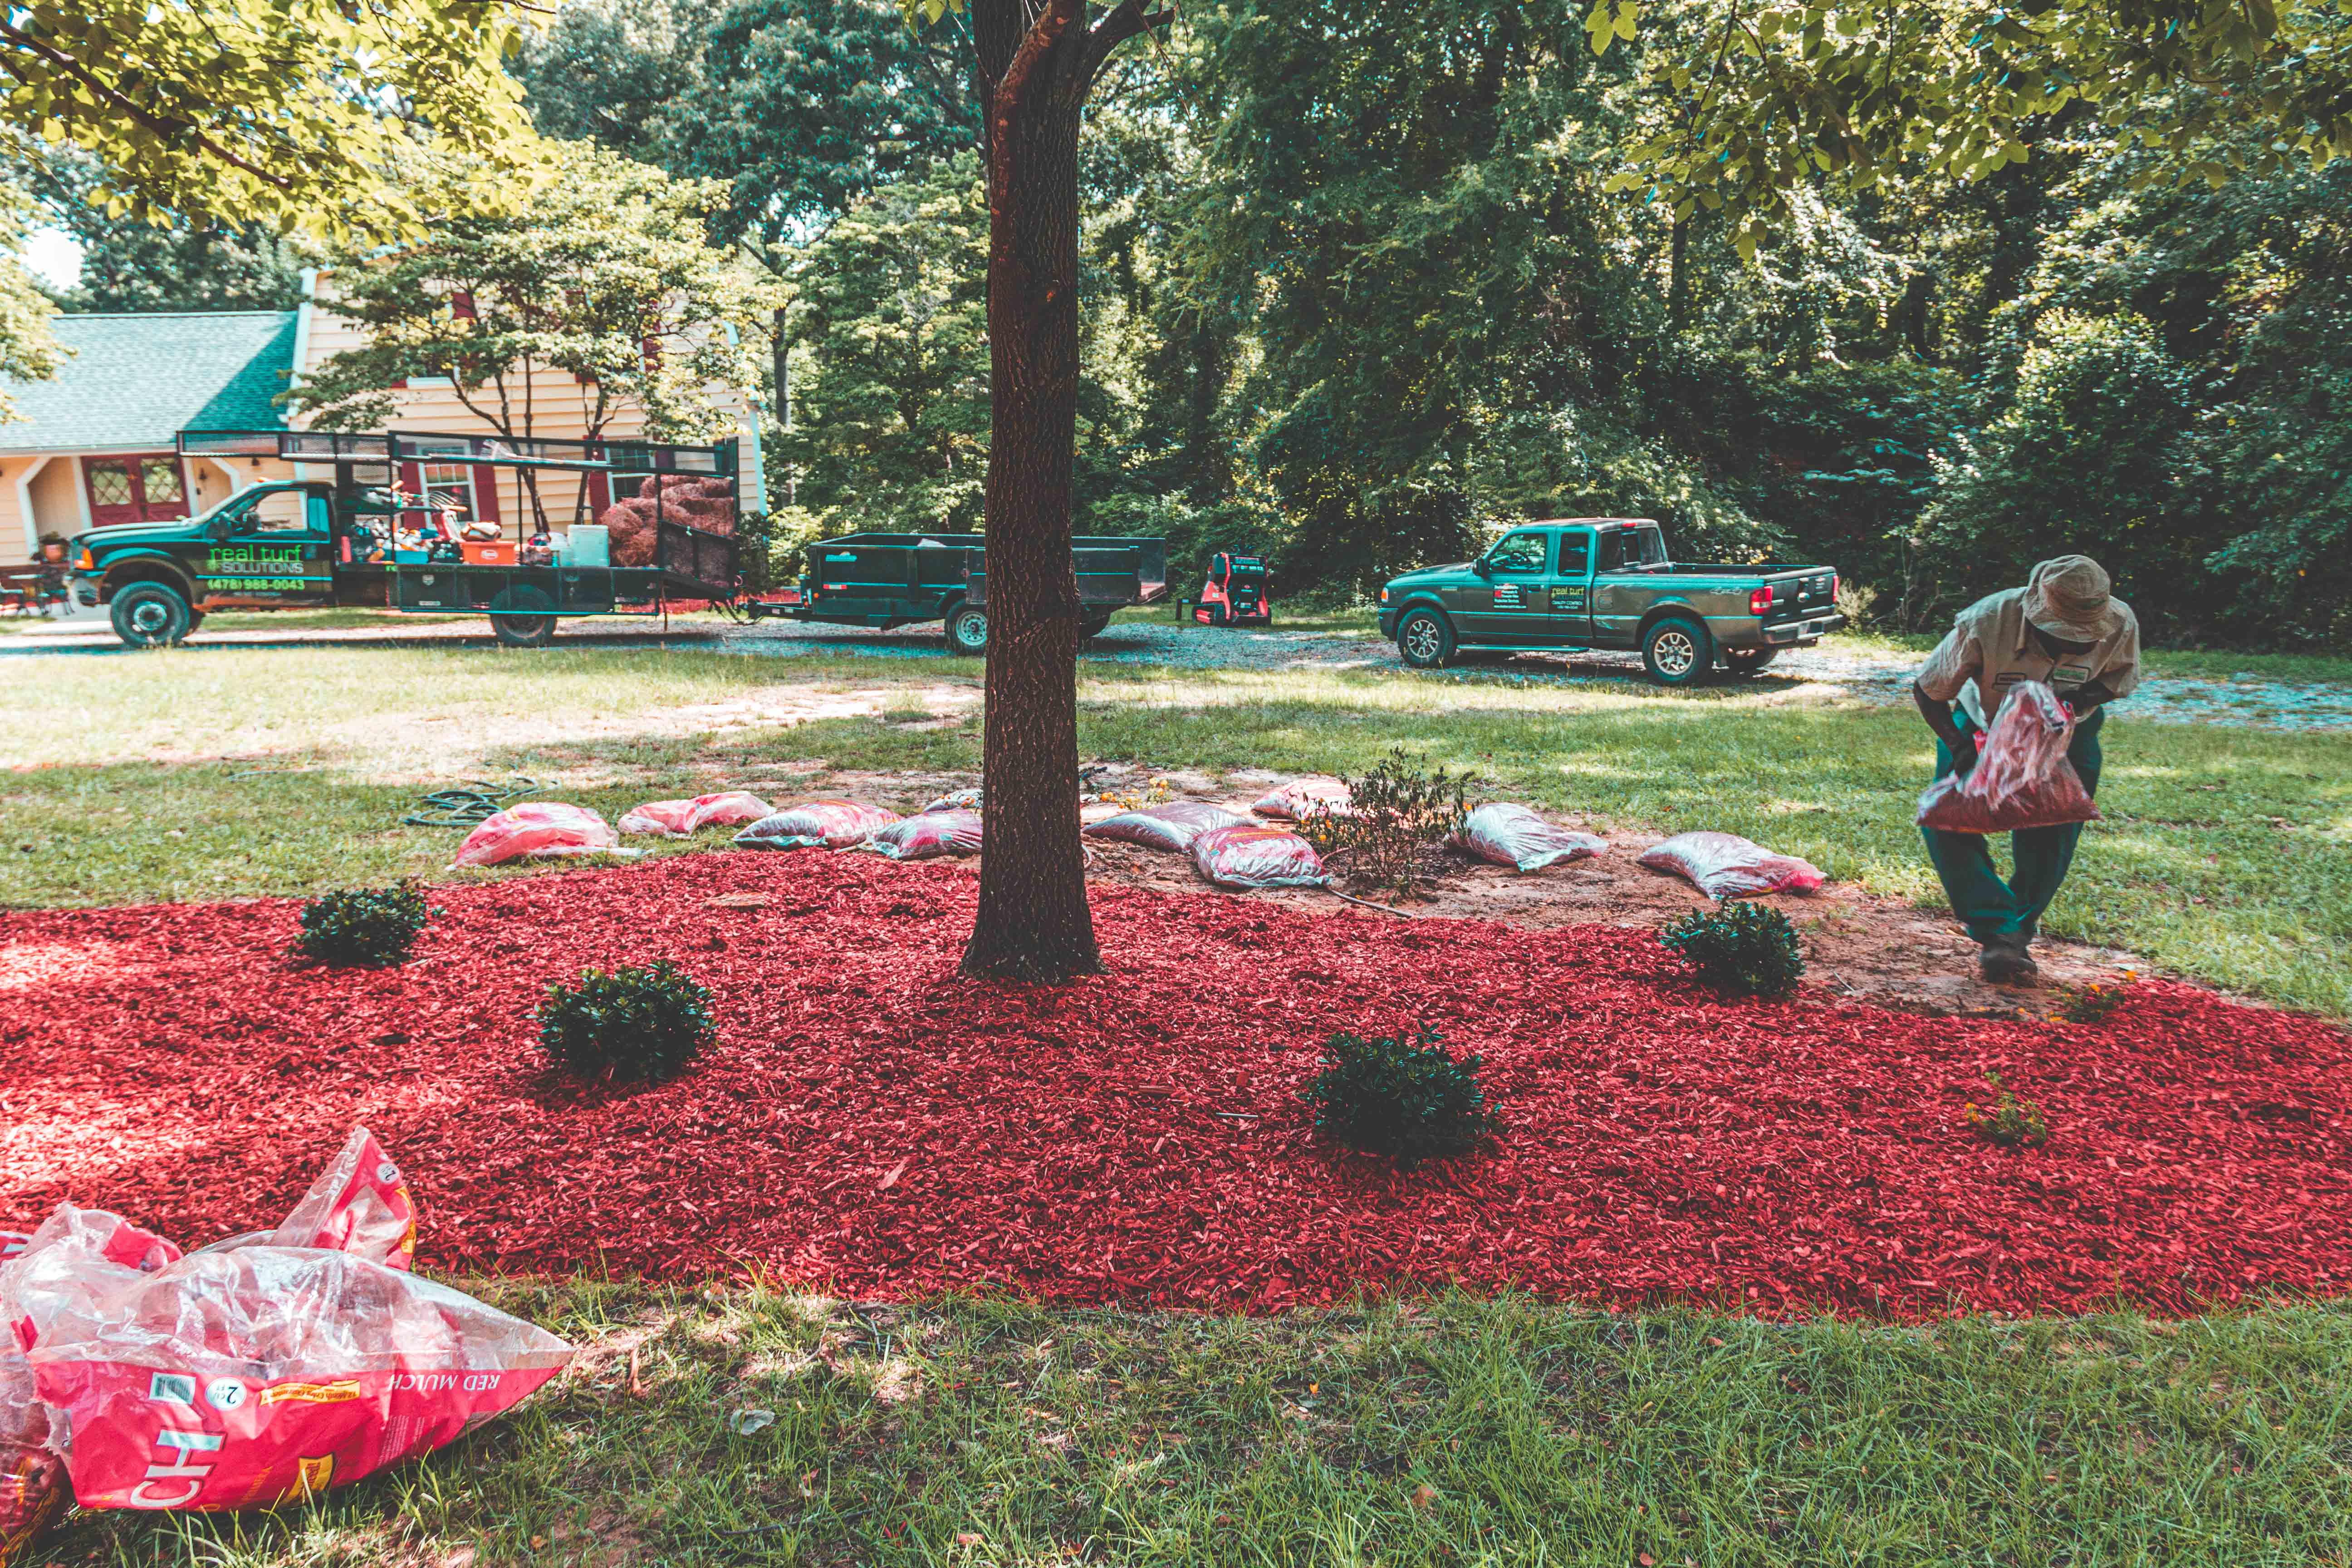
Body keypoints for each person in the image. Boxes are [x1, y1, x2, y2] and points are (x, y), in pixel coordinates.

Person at [1912, 554, 2139, 985]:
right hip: (1981, 724)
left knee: (2054, 825)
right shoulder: (1985, 622)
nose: (2072, 647)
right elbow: (1928, 690)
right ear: (2034, 614)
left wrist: (2065, 703)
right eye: (2061, 636)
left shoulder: (2121, 622)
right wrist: (1960, 746)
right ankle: (1992, 922)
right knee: (1947, 821)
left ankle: (2012, 936)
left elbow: (2119, 680)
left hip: (2068, 731)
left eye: (2082, 640)